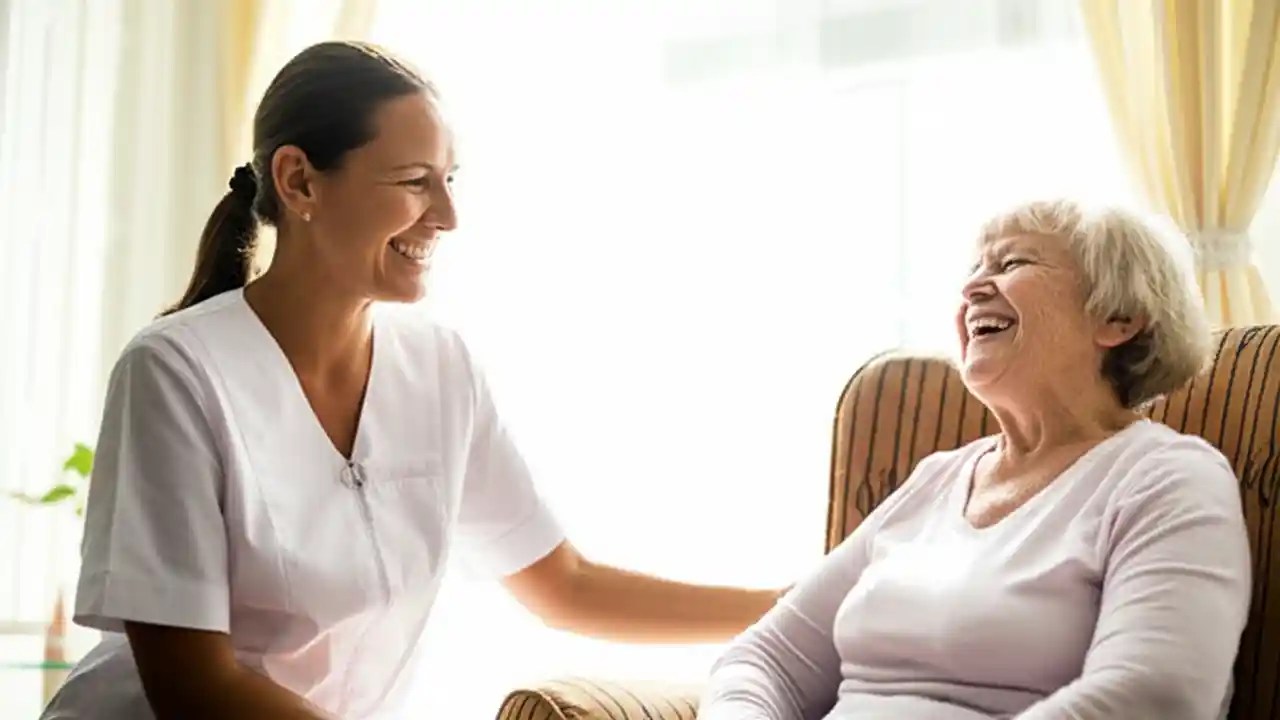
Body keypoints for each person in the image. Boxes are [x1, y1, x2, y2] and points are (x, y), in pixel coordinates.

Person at [41, 41, 784, 720]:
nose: (449, 215)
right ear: (299, 180)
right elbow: (196, 687)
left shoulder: (440, 369)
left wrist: (792, 609)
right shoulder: (176, 371)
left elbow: (565, 584)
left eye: (449, 179)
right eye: (413, 182)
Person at [698, 200, 1252, 720]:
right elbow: (763, 660)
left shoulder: (1168, 478)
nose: (972, 287)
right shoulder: (936, 479)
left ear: (1117, 317)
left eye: (1012, 262)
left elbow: (1154, 695)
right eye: (974, 268)